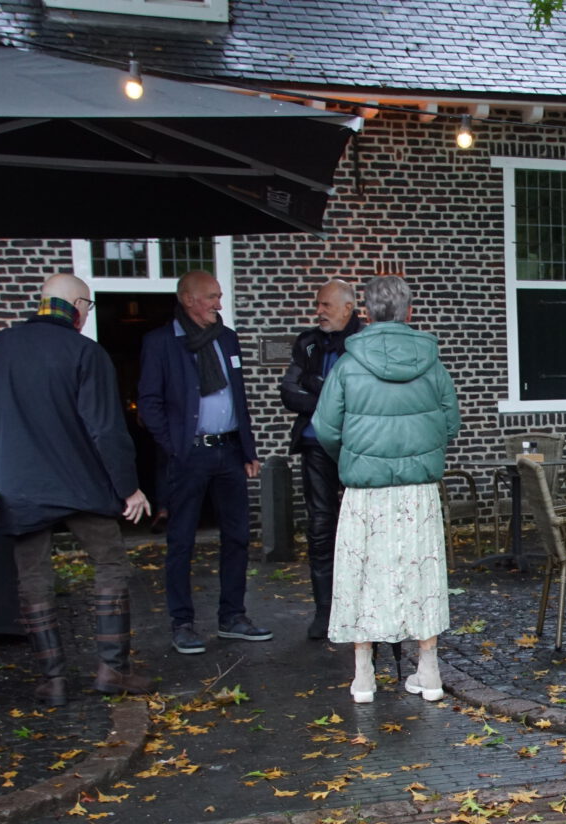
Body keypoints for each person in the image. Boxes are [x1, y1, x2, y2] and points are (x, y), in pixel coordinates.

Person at [0, 273, 152, 705]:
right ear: (74, 304)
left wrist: (22, 442)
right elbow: (106, 430)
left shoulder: (4, 346)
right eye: (88, 305)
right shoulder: (85, 353)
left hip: (22, 488)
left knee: (33, 580)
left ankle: (51, 680)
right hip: (81, 485)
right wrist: (129, 489)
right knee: (109, 565)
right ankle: (112, 669)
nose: (89, 313)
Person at [311, 275, 458, 703]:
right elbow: (451, 423)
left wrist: (355, 456)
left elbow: (325, 427)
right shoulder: (433, 363)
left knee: (363, 575)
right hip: (418, 491)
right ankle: (428, 672)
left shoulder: (348, 364)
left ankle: (363, 678)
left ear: (367, 314)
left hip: (366, 492)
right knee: (422, 575)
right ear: (409, 313)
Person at [137, 270, 272, 655]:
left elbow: (238, 400)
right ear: (188, 299)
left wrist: (249, 449)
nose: (219, 304)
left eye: (219, 296)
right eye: (212, 297)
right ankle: (182, 623)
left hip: (229, 451)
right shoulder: (161, 343)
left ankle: (233, 617)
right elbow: (149, 402)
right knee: (181, 540)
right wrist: (175, 446)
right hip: (189, 453)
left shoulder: (227, 338)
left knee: (238, 536)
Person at [280, 279, 364, 639]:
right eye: (319, 305)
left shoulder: (364, 345)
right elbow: (288, 392)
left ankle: (361, 606)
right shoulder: (308, 342)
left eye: (326, 305)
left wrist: (317, 388)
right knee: (319, 527)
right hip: (315, 445)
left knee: (361, 526)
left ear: (348, 307)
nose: (320, 312)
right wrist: (331, 402)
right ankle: (324, 611)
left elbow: (363, 397)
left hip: (356, 446)